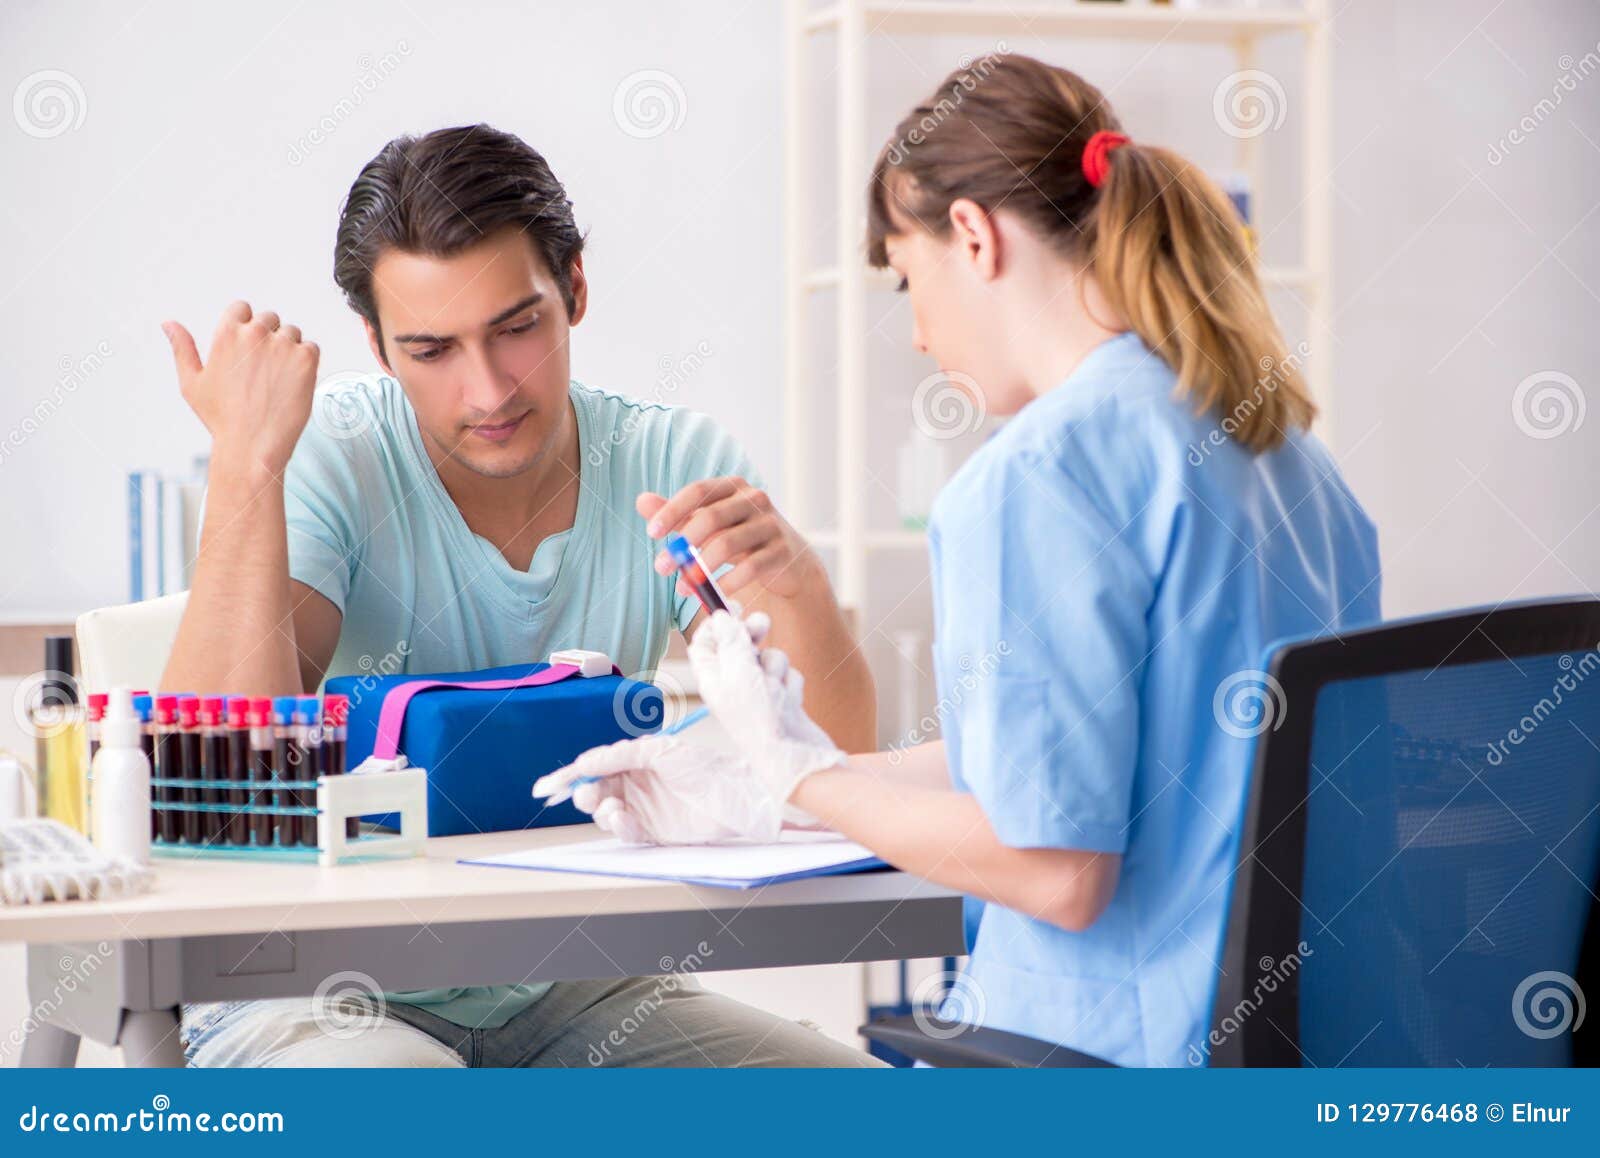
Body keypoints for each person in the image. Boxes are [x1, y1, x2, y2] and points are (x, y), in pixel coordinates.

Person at [536, 55, 1383, 1068]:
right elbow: (1093, 758)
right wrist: (769, 772)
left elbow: (1057, 869)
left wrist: (803, 778)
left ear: (974, 235)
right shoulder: (1285, 453)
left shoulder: (1038, 475)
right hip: (1318, 1052)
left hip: (1121, 1060)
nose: (917, 334)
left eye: (907, 277)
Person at [159, 124, 879, 1068]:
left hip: (573, 982)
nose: (489, 390)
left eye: (516, 328)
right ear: (376, 345)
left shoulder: (671, 460)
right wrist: (246, 465)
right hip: (313, 987)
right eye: (432, 350)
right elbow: (221, 781)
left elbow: (838, 778)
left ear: (573, 289)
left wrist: (800, 584)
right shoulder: (332, 453)